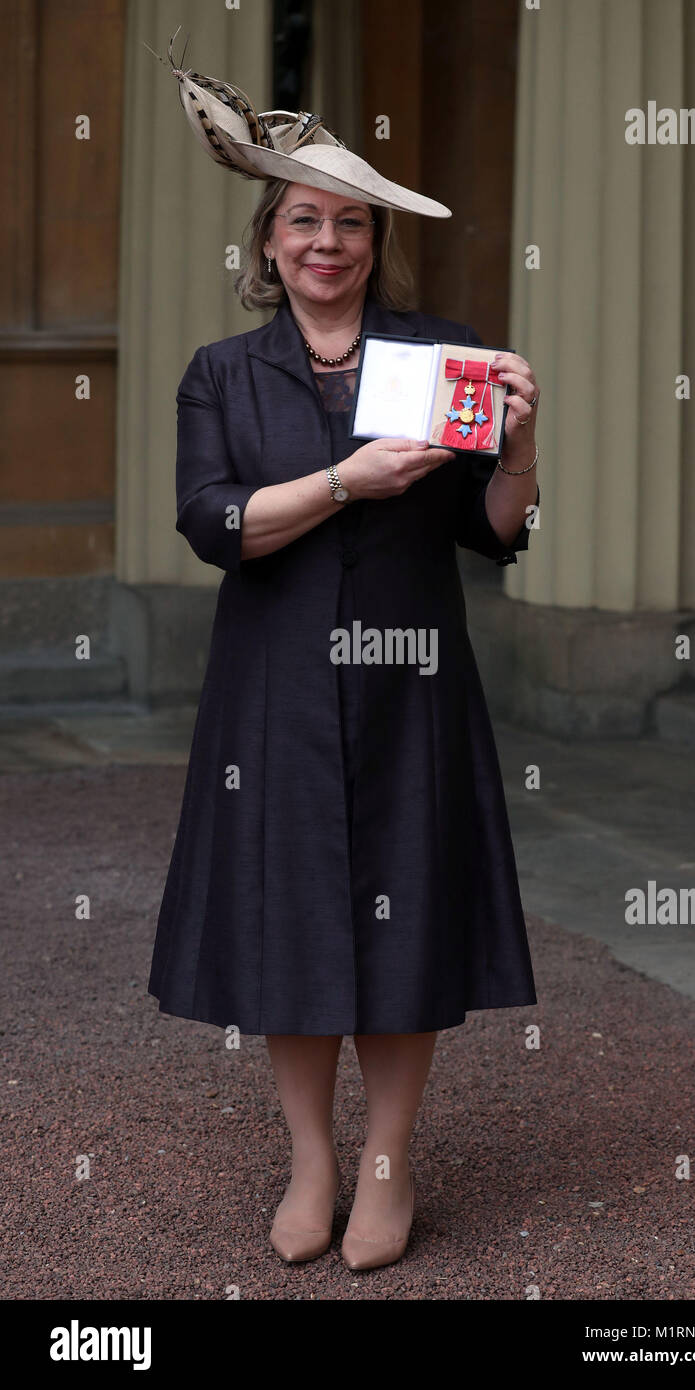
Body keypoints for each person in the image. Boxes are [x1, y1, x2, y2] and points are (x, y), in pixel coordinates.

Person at [148, 46, 541, 1271]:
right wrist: (344, 479)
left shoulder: (438, 356)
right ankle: (312, 1157)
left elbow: (494, 533)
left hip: (410, 680)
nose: (329, 242)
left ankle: (388, 1159)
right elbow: (214, 523)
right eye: (306, 220)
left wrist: (523, 448)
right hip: (272, 690)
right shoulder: (220, 375)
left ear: (375, 243)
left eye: (352, 224)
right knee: (290, 914)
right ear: (267, 244)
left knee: (407, 915)